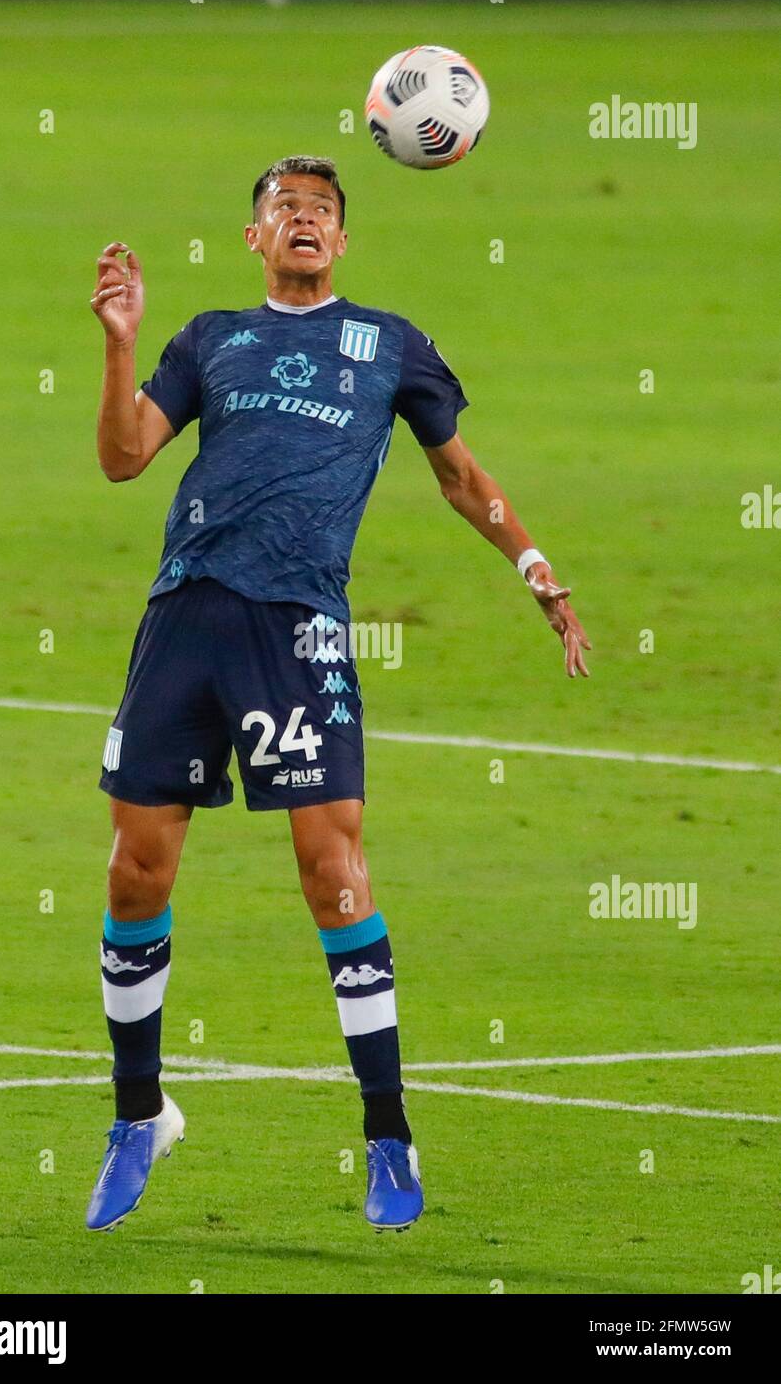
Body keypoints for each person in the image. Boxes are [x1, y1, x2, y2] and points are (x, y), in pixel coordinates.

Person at [86, 155, 591, 1235]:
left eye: (320, 210)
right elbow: (126, 458)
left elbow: (459, 475)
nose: (303, 219)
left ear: (342, 242)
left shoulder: (389, 345)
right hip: (186, 614)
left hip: (298, 628)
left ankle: (388, 1133)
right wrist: (123, 341)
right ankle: (138, 1114)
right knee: (135, 868)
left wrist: (533, 565)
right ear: (253, 238)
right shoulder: (210, 338)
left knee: (334, 871)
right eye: (283, 208)